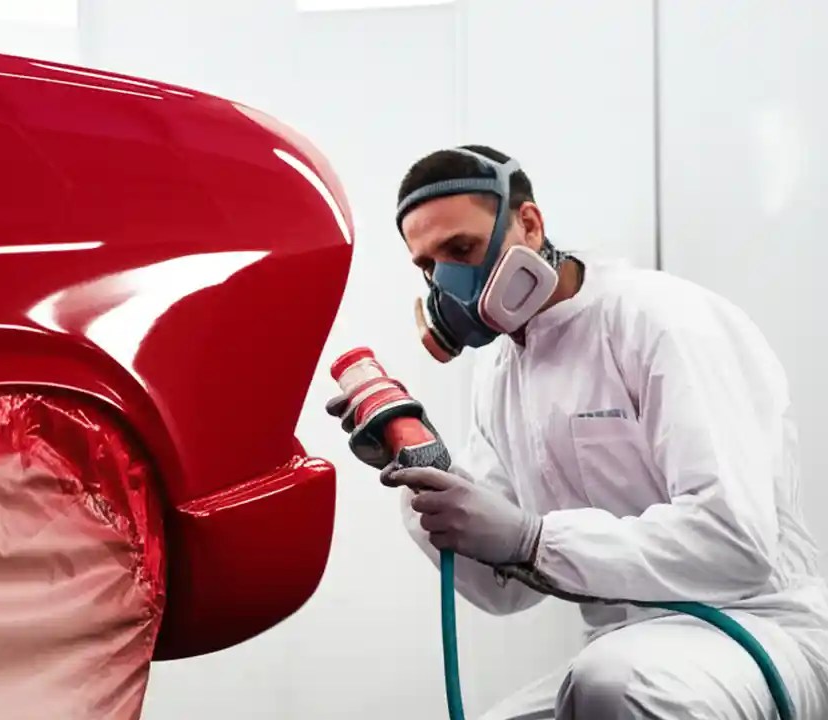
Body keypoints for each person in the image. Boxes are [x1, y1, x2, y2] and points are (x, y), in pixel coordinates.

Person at [327, 145, 828, 719]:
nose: (450, 282)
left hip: (757, 630)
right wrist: (424, 477)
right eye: (429, 266)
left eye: (461, 249)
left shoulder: (660, 319)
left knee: (615, 684)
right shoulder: (501, 373)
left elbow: (736, 545)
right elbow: (505, 590)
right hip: (621, 651)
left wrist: (533, 539)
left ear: (530, 223)